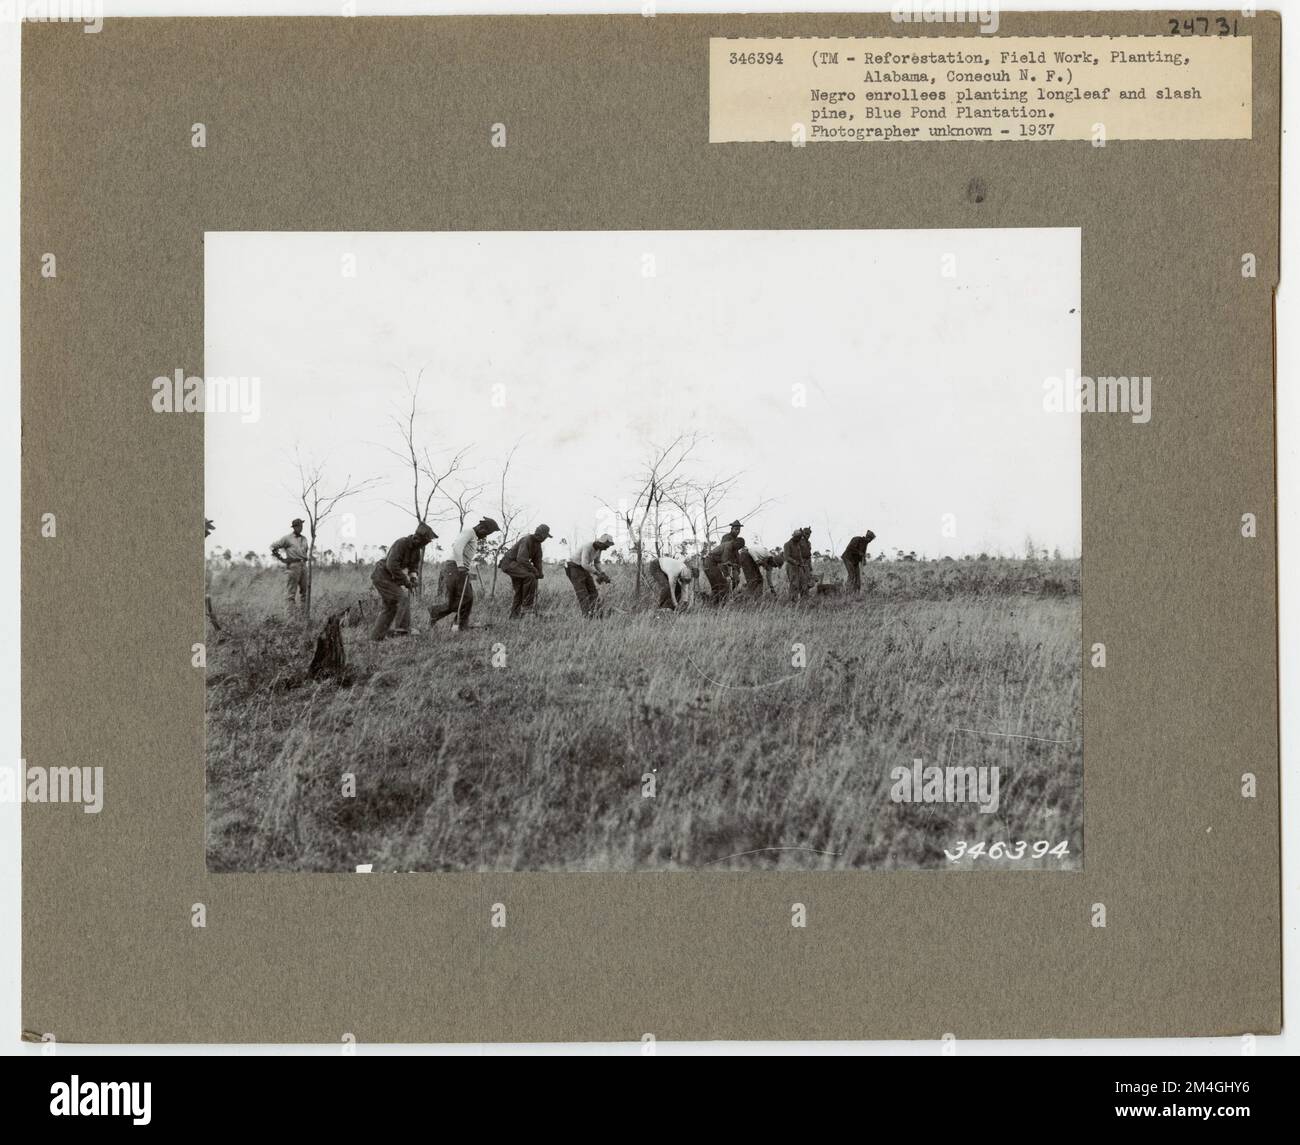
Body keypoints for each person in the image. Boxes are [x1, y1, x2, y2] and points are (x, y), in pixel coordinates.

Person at [430, 516, 500, 631]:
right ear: (481, 527)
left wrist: (464, 568)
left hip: (460, 568)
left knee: (466, 598)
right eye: (486, 532)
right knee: (465, 598)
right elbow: (457, 547)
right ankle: (441, 616)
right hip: (454, 567)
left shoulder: (474, 536)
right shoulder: (469, 532)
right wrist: (460, 565)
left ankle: (458, 624)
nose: (485, 535)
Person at [370, 522, 437, 640]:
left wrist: (413, 578)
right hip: (382, 575)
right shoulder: (401, 543)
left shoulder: (416, 551)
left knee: (390, 607)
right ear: (416, 538)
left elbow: (413, 567)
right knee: (403, 598)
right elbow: (391, 565)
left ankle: (376, 638)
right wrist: (406, 582)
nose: (422, 546)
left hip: (391, 578)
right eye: (422, 543)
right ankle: (402, 630)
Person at [498, 523, 551, 618]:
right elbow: (521, 559)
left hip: (517, 565)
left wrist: (540, 572)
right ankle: (527, 607)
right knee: (530, 577)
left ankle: (514, 617)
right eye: (545, 536)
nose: (545, 538)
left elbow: (537, 561)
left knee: (520, 590)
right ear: (540, 534)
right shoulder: (527, 539)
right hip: (509, 563)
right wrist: (534, 571)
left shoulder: (538, 545)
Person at [566, 533, 614, 616]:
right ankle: (587, 616)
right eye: (606, 546)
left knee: (593, 592)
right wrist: (597, 574)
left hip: (583, 568)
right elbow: (584, 564)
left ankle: (597, 613)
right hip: (574, 567)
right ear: (600, 543)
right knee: (582, 593)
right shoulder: (588, 546)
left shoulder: (599, 549)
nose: (606, 549)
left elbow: (597, 562)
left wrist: (602, 573)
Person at [270, 517, 311, 609]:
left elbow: (306, 551)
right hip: (293, 566)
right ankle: (291, 616)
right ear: (295, 527)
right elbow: (273, 547)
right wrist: (282, 559)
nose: (301, 527)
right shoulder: (287, 538)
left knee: (304, 592)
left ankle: (303, 615)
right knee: (291, 593)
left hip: (303, 566)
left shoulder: (304, 539)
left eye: (302, 525)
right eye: (299, 526)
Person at [782, 528, 811, 600]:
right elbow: (786, 557)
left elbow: (800, 556)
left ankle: (804, 601)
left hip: (799, 566)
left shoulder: (797, 544)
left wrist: (802, 565)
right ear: (795, 537)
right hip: (791, 566)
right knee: (794, 584)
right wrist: (795, 562)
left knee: (803, 583)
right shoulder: (787, 544)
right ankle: (793, 602)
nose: (800, 539)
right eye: (798, 537)